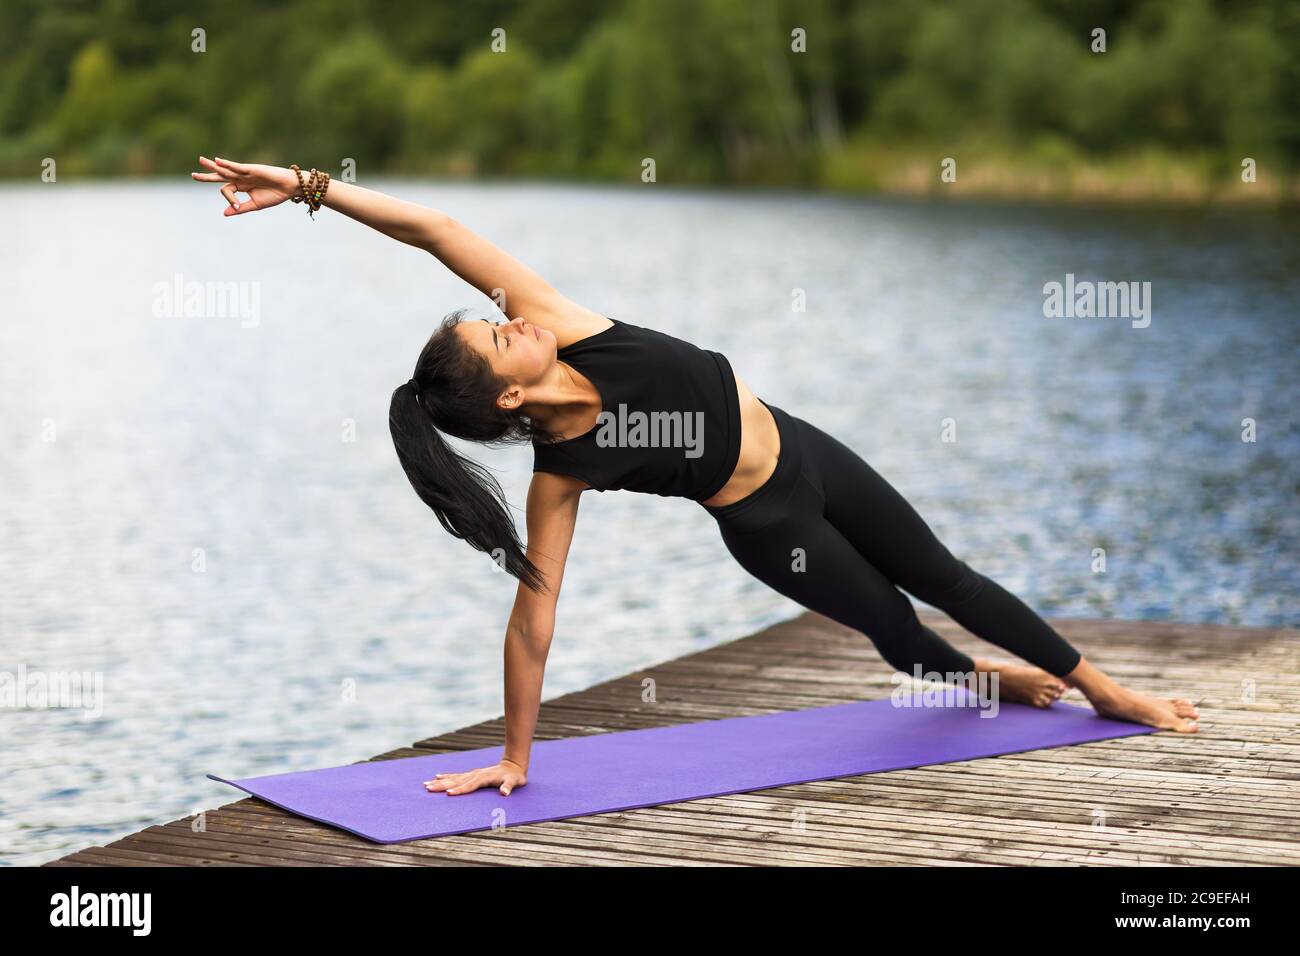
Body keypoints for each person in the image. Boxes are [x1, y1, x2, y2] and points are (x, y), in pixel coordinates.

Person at [192, 156, 1201, 798]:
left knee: (947, 576)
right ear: (506, 397)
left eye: (495, 312)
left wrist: (310, 187)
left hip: (807, 451)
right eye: (498, 336)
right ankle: (992, 678)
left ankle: (1103, 689)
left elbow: (438, 234)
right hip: (768, 522)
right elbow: (533, 616)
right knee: (899, 635)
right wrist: (515, 756)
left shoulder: (568, 319)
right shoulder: (563, 467)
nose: (512, 317)